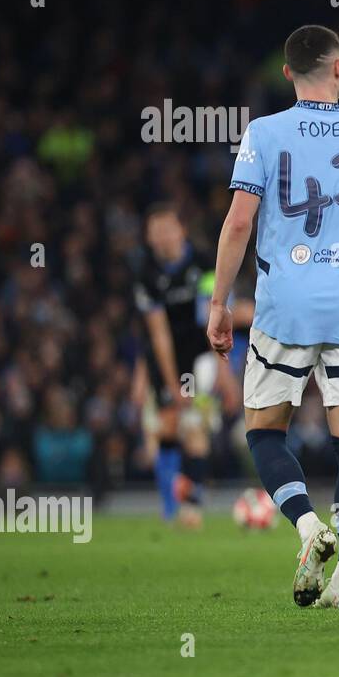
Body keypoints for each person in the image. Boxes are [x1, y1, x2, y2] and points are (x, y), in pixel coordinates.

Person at [207, 25, 339, 609]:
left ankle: (305, 526)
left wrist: (220, 304)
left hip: (284, 307)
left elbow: (239, 223)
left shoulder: (264, 134)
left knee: (264, 431)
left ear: (288, 73)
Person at [133, 204, 216, 526]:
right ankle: (172, 507)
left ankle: (192, 506)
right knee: (168, 426)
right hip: (165, 359)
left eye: (167, 229)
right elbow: (159, 335)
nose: (161, 238)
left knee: (193, 426)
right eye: (155, 232)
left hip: (198, 357)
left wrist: (223, 370)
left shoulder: (204, 262)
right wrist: (171, 384)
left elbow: (211, 314)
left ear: (181, 230)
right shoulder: (146, 274)